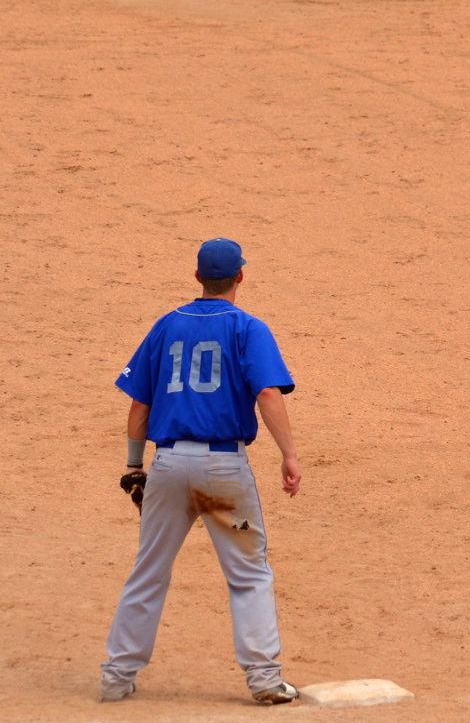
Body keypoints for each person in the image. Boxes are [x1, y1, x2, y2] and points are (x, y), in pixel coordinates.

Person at [100, 238, 302, 705]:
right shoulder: (248, 328)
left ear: (197, 279)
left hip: (168, 467)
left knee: (148, 572)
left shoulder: (167, 325)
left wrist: (135, 465)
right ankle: (265, 680)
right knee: (249, 572)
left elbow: (139, 402)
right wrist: (289, 455)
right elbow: (269, 394)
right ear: (241, 277)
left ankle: (116, 677)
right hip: (223, 475)